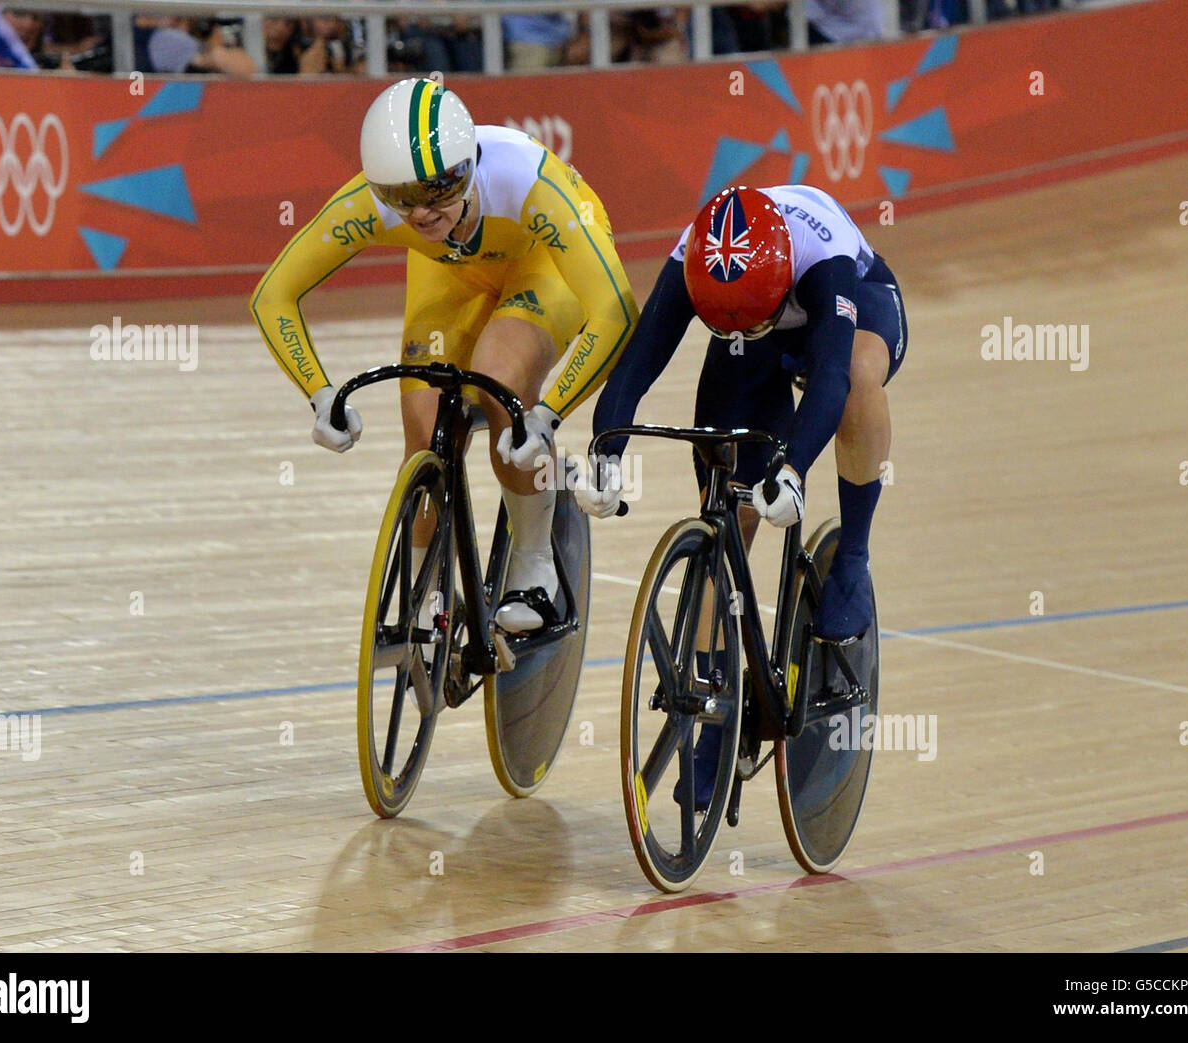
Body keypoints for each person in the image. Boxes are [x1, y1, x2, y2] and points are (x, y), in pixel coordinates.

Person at [250, 78, 637, 635]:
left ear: (470, 163)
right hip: (450, 273)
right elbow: (273, 295)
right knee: (425, 424)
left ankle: (534, 565)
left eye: (440, 189)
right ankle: (427, 593)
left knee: (498, 377)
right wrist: (320, 393)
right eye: (401, 198)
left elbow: (616, 310)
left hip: (542, 265)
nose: (422, 213)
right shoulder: (376, 202)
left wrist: (547, 412)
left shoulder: (527, 183)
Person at [577, 184, 906, 806]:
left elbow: (829, 377)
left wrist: (794, 469)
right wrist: (606, 450)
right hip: (743, 335)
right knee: (730, 509)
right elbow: (638, 361)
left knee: (860, 379)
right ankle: (716, 711)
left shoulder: (823, 254)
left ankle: (854, 559)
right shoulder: (694, 257)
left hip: (849, 313)